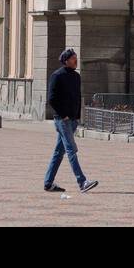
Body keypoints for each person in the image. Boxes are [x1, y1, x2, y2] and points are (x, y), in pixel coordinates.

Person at [43, 49, 98, 194]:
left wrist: (77, 116)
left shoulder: (76, 76)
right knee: (71, 150)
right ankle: (82, 182)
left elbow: (77, 97)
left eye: (76, 58)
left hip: (72, 120)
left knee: (58, 152)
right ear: (66, 61)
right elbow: (51, 99)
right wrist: (64, 115)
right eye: (73, 58)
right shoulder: (57, 76)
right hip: (62, 120)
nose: (76, 60)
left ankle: (48, 183)